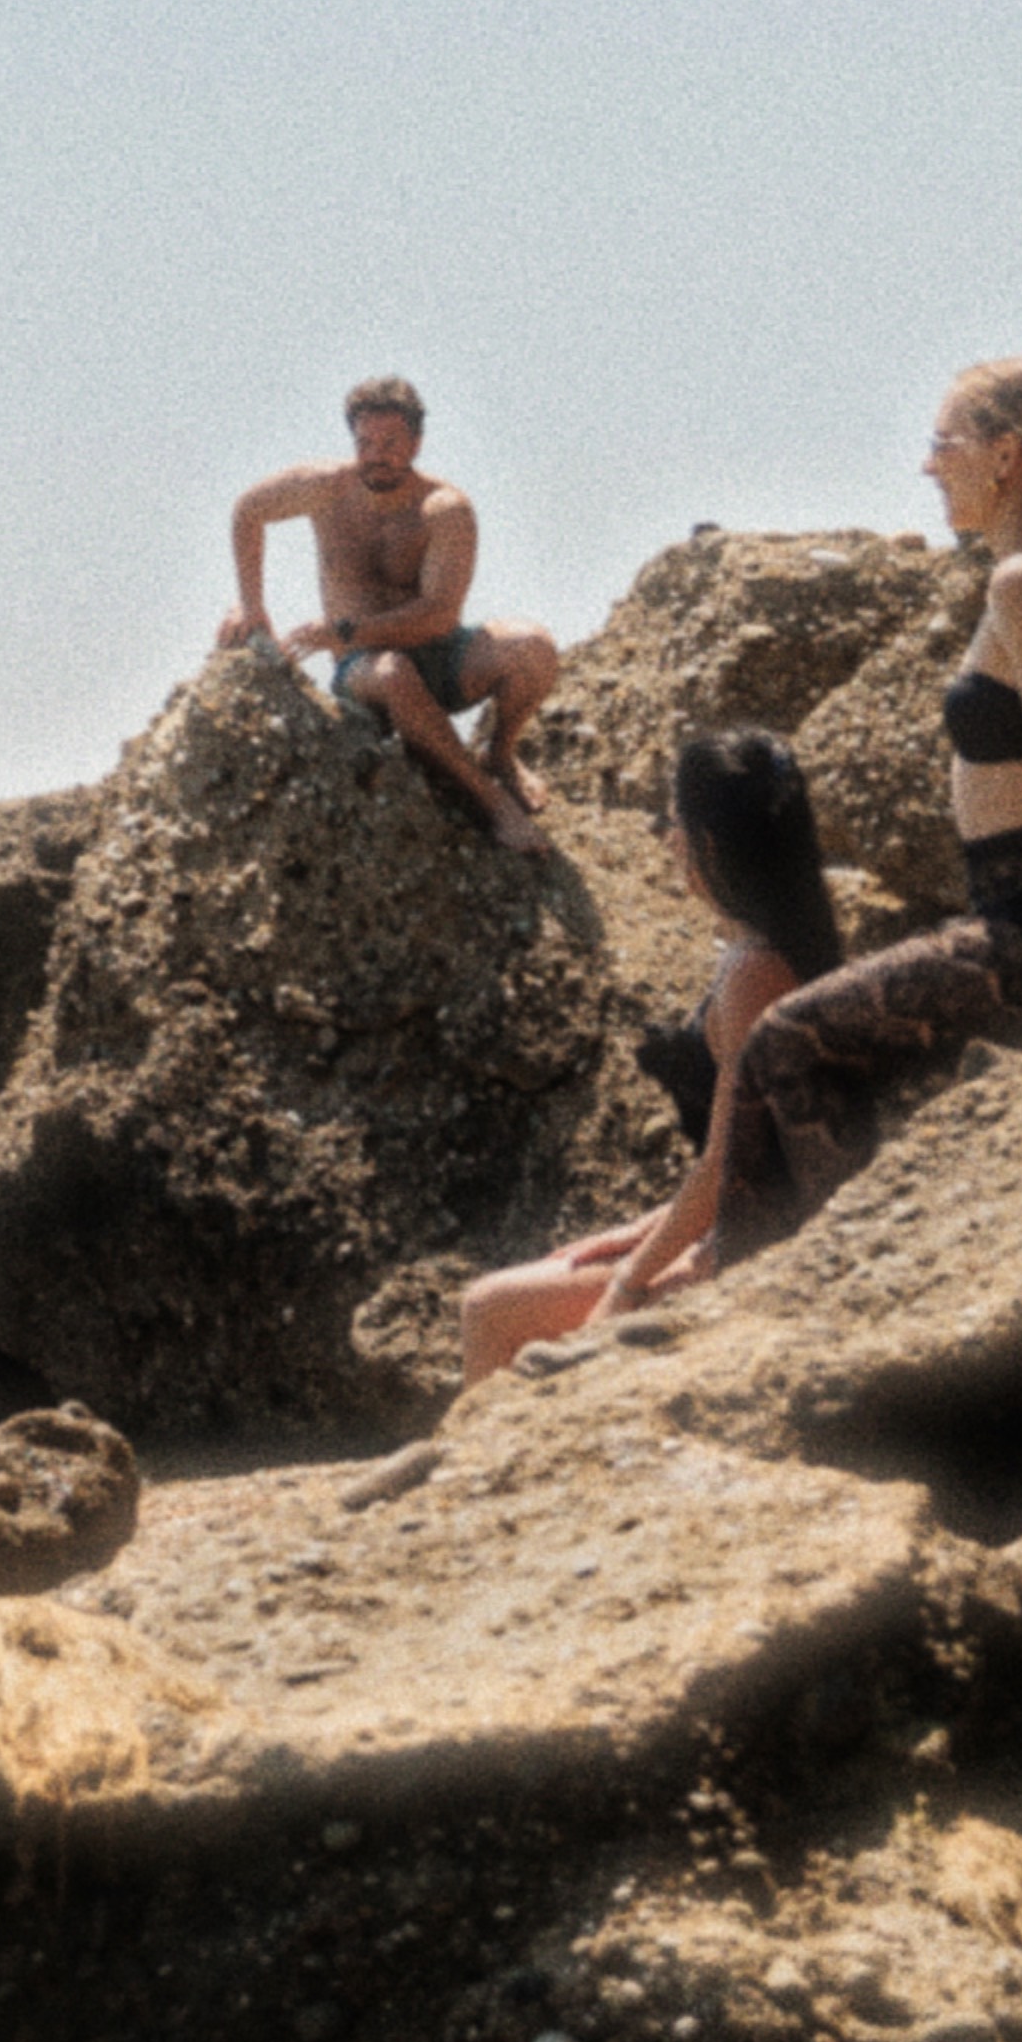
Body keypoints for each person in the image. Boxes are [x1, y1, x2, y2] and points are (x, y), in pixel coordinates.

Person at [727, 358, 1022, 1242]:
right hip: (1017, 915)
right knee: (794, 1053)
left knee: (785, 1042)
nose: (928, 465)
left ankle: (833, 1270)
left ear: (1007, 456)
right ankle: (770, 1266)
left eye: (944, 443)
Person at [404, 731, 847, 1418]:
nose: (666, 838)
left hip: (749, 1248)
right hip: (741, 1227)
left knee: (489, 1311)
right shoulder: (782, 948)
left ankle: (477, 1472)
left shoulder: (754, 974)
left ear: (708, 842)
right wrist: (629, 1238)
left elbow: (727, 1163)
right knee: (525, 1287)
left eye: (673, 821)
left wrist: (630, 1282)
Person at [218, 375, 565, 851]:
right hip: (364, 671)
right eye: (364, 443)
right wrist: (253, 605)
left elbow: (439, 616)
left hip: (439, 658)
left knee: (533, 646)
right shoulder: (326, 488)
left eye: (390, 443)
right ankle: (493, 803)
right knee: (393, 671)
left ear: (416, 443)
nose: (375, 455)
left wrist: (343, 629)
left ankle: (501, 754)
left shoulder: (444, 510)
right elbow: (248, 510)